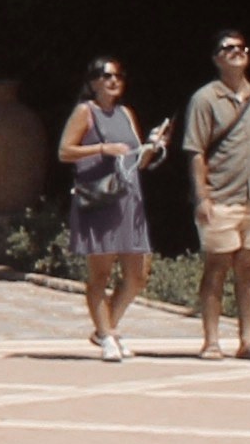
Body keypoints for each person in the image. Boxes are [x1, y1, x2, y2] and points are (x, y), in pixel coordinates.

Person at [183, 31, 250, 361]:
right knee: (216, 268)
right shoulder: (204, 99)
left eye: (241, 47)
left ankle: (248, 340)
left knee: (249, 270)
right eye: (227, 49)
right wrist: (201, 197)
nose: (236, 52)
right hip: (221, 198)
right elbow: (195, 151)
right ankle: (212, 341)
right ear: (216, 59)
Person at [56, 57, 171, 363]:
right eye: (106, 76)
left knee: (137, 275)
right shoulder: (86, 112)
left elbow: (136, 161)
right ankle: (106, 334)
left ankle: (107, 326)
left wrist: (153, 146)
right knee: (100, 274)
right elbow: (65, 151)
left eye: (118, 75)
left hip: (129, 202)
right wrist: (101, 149)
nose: (113, 81)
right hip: (100, 201)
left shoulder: (126, 113)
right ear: (93, 81)